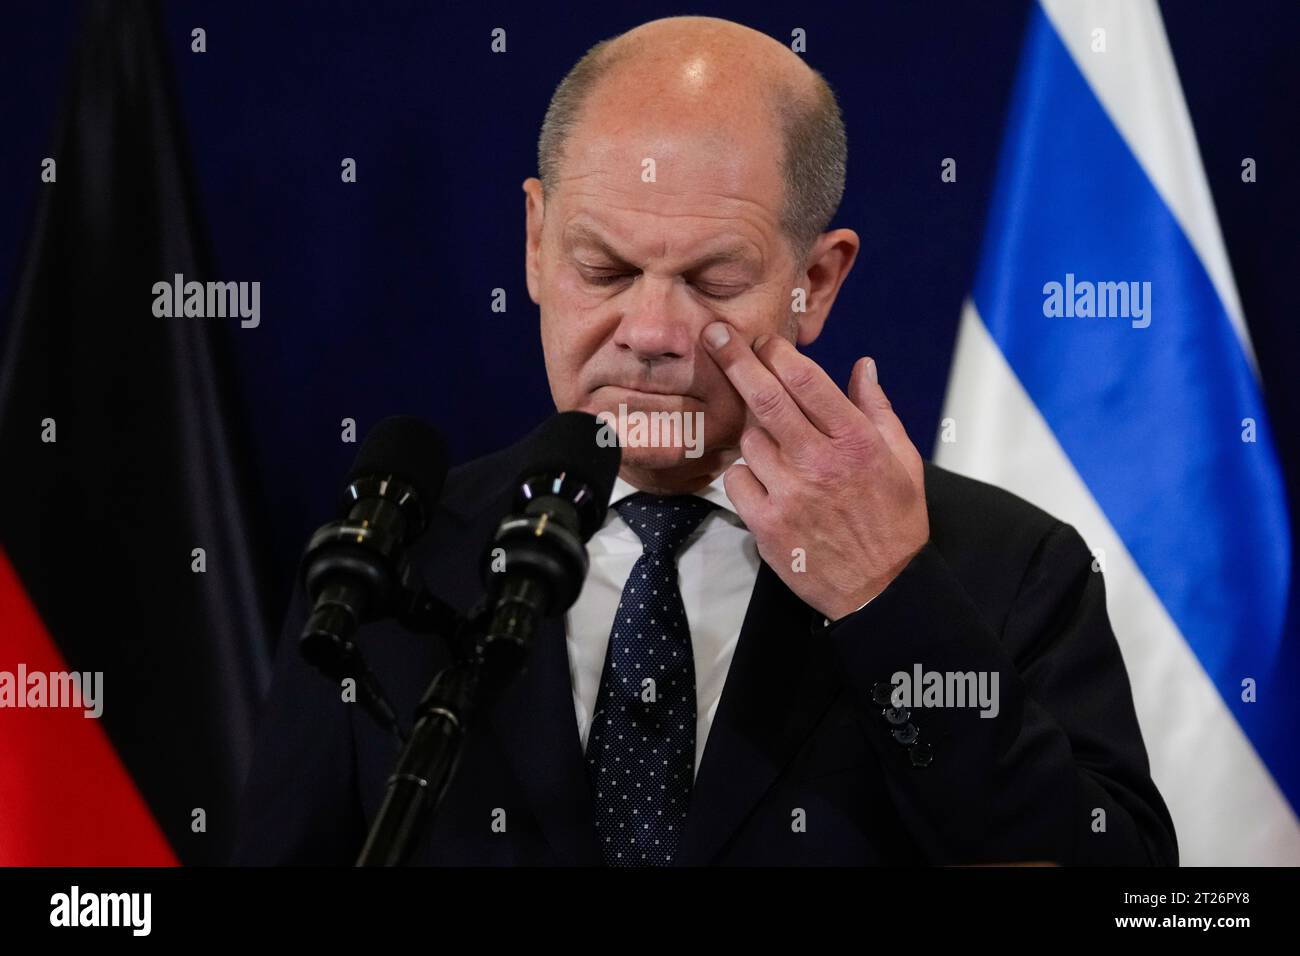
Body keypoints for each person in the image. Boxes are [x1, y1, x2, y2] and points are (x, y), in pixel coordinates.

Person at [234, 15, 1176, 866]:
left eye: (714, 281)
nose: (651, 332)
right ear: (534, 244)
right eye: (602, 268)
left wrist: (887, 605)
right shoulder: (395, 566)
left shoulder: (1002, 569)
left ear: (816, 279)